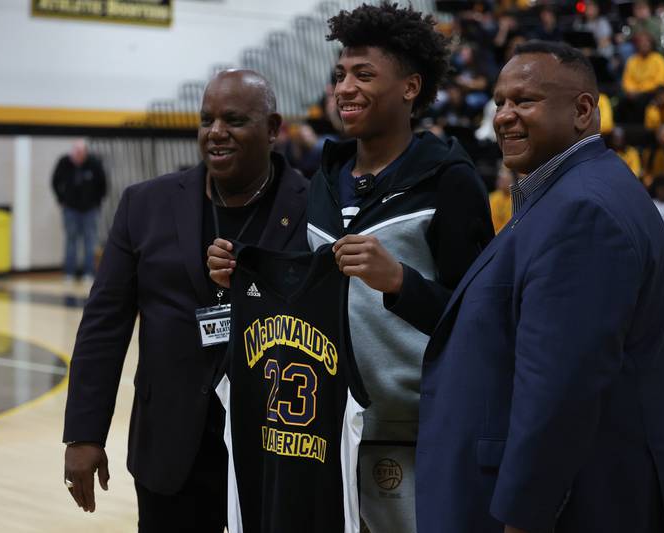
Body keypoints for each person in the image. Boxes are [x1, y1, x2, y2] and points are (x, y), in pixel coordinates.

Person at [208, 5, 493, 532]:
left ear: (410, 88)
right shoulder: (323, 177)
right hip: (319, 428)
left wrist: (401, 283)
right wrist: (245, 278)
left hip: (409, 433)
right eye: (340, 75)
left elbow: (482, 318)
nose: (345, 88)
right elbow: (307, 289)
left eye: (364, 74)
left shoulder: (449, 181)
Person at [417, 41, 664, 533]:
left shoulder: (582, 210)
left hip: (572, 507)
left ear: (583, 110)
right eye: (499, 102)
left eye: (524, 101)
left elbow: (560, 390)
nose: (503, 116)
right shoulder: (569, 193)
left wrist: (524, 514)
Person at [62, 70, 310, 532]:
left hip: (278, 448)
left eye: (234, 120)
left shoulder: (314, 204)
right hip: (171, 449)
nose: (216, 132)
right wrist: (83, 434)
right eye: (206, 120)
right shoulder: (144, 204)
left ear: (273, 128)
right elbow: (104, 325)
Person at [51, 140, 107, 283]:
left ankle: (89, 272)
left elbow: (103, 184)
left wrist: (97, 202)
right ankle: (69, 272)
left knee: (90, 241)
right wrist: (60, 199)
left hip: (90, 209)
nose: (78, 156)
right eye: (76, 153)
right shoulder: (64, 162)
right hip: (70, 209)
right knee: (71, 241)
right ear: (72, 153)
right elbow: (55, 181)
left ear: (85, 153)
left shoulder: (94, 163)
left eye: (81, 153)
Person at [620, 32, 664, 121]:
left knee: (646, 99)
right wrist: (631, 90)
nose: (644, 44)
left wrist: (641, 91)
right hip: (633, 93)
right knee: (621, 101)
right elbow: (627, 80)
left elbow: (660, 81)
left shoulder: (659, 60)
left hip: (650, 93)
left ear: (651, 44)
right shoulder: (632, 60)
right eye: (641, 42)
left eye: (647, 42)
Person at [489, 163, 515, 234]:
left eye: (506, 172)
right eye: (501, 171)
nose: (501, 175)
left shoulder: (517, 199)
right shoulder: (492, 197)